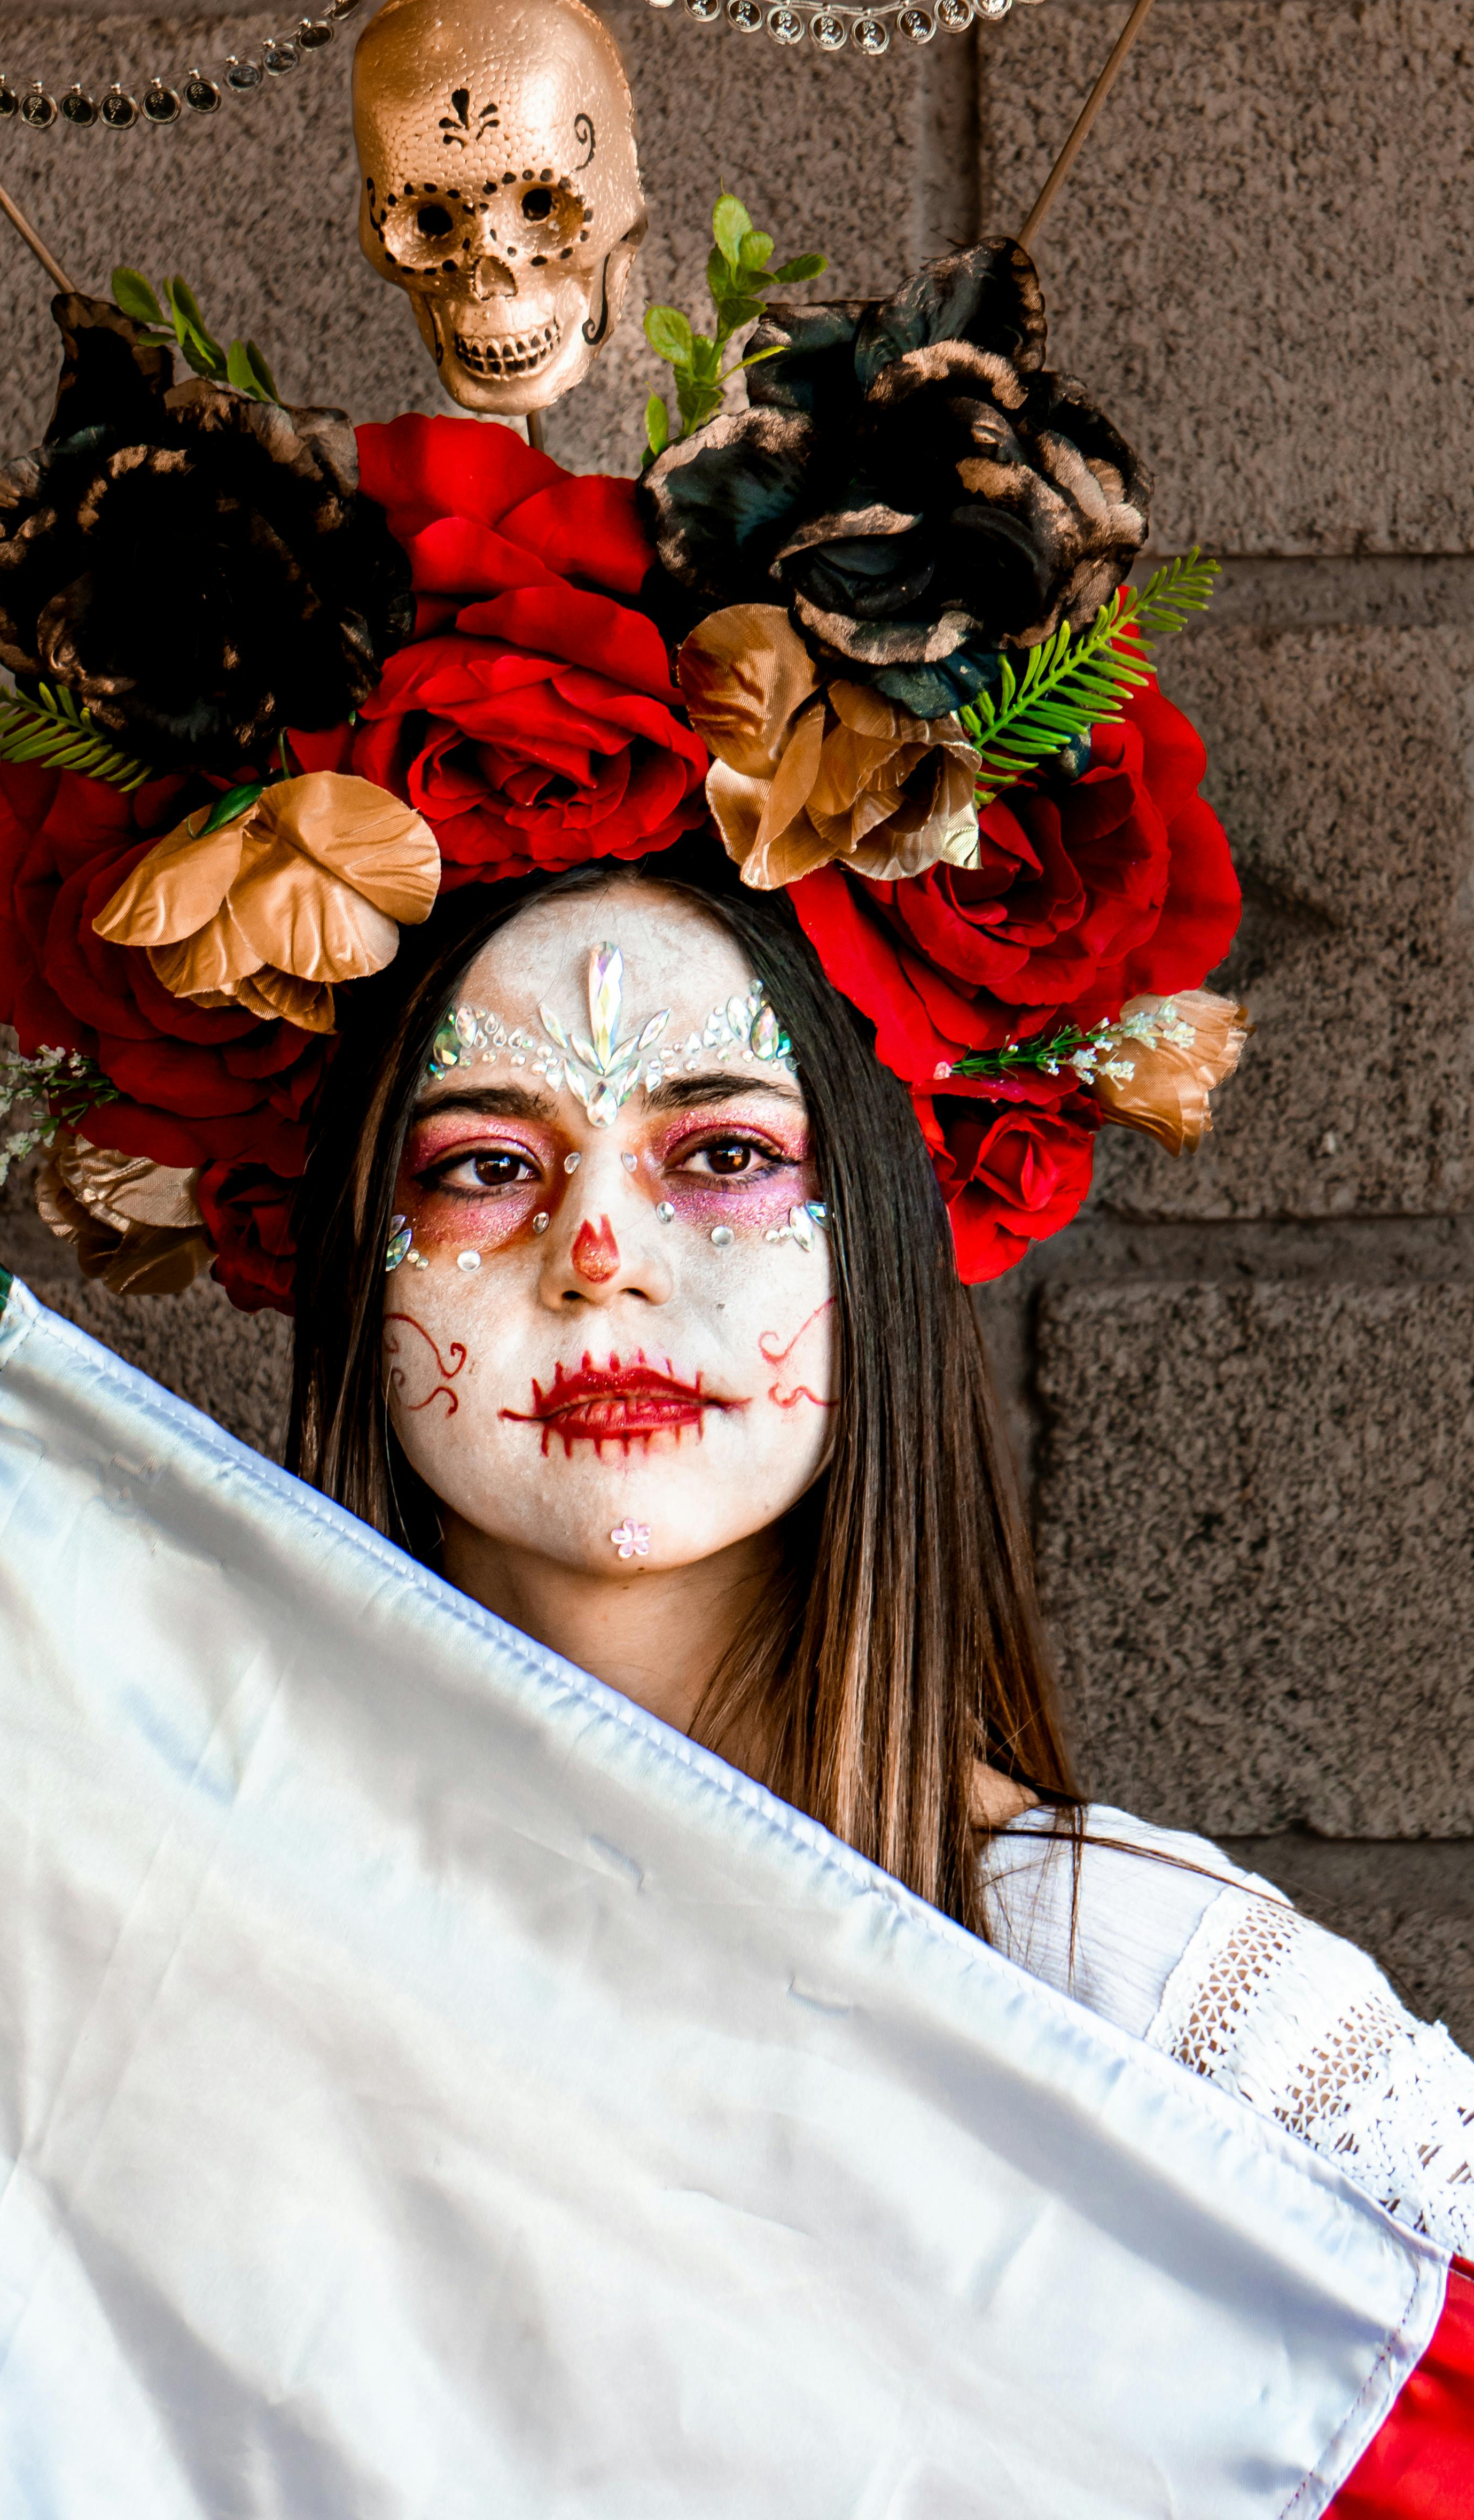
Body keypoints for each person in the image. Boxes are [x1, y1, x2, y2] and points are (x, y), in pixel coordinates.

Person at [290, 846, 1474, 2255]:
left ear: (881, 1251)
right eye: (487, 1165)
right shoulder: (206, 1934)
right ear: (359, 1251)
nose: (598, 1248)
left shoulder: (1146, 1995)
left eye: (724, 1157)